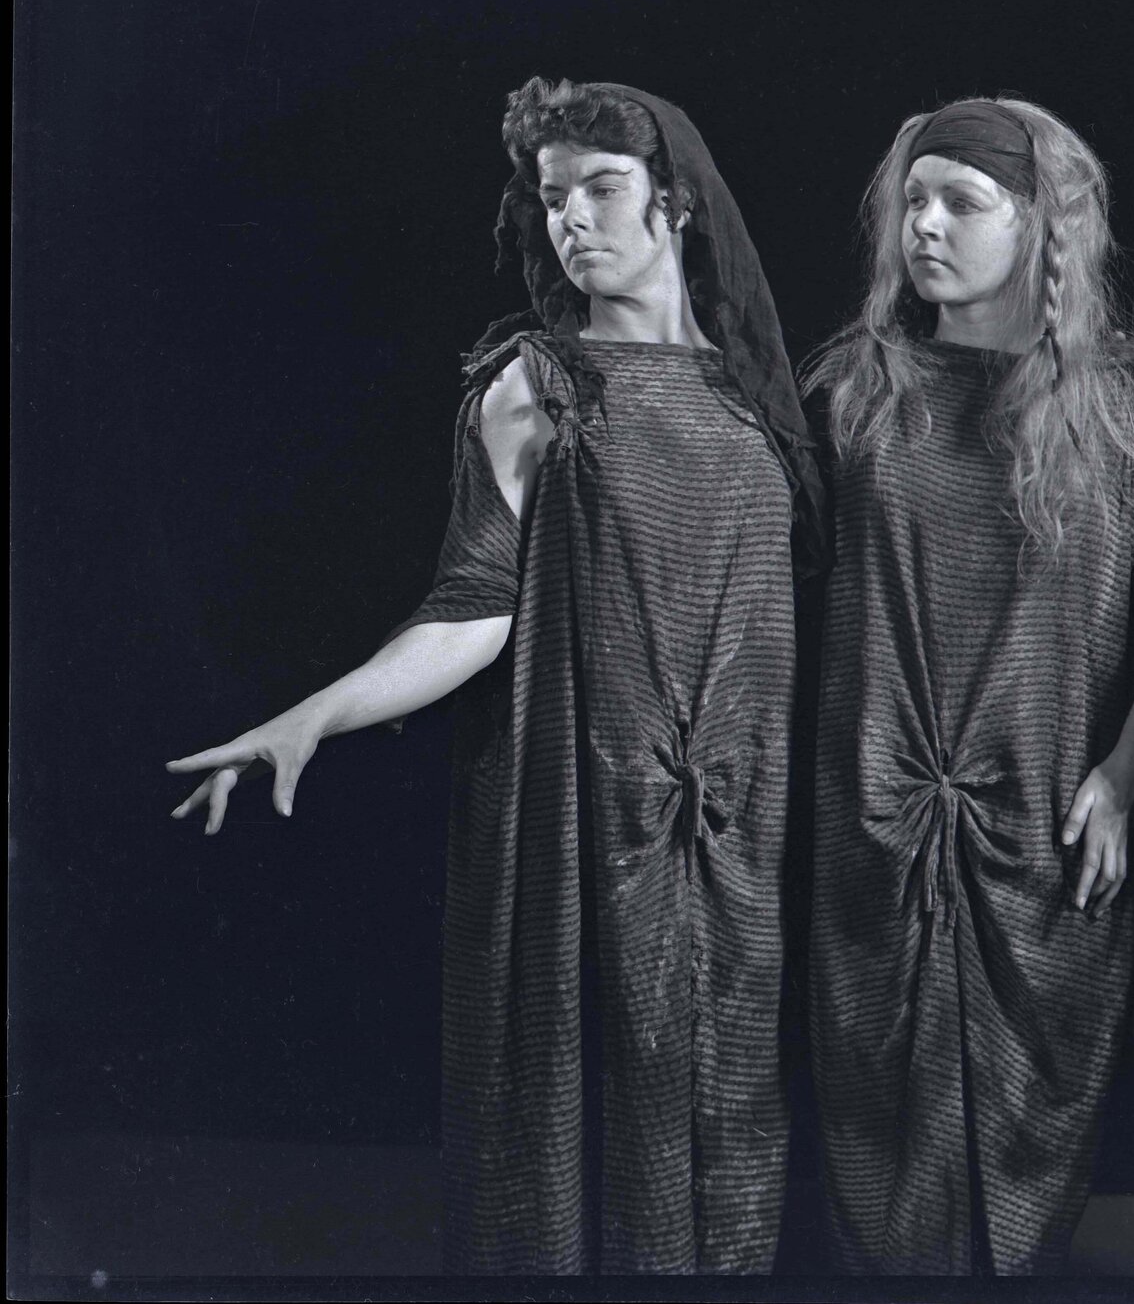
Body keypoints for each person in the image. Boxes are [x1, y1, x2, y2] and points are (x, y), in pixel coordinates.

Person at [167, 78, 826, 1274]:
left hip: (736, 833)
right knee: (586, 1132)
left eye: (599, 190)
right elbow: (477, 605)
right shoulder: (534, 384)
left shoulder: (754, 395)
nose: (570, 220)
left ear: (674, 202)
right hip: (587, 811)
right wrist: (312, 714)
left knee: (729, 1136)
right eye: (551, 198)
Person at [806, 97, 1134, 1274]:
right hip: (875, 823)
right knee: (878, 1157)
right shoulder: (854, 391)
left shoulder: (1121, 403)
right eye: (912, 200)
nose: (924, 225)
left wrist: (1121, 774)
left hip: (1046, 832)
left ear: (1041, 222)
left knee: (1026, 1157)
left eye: (961, 201)